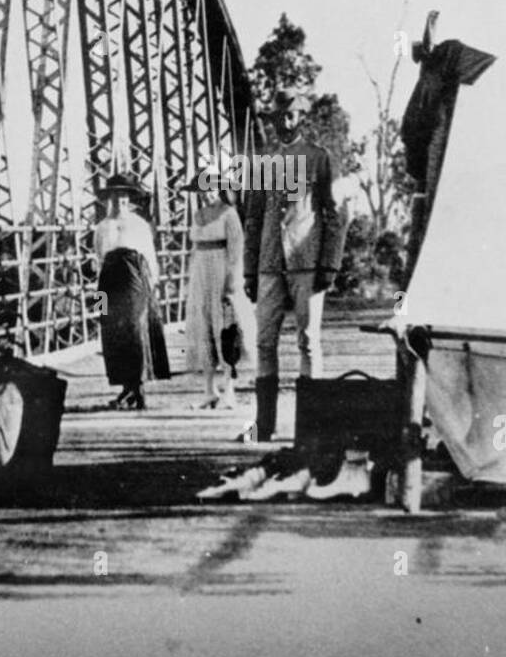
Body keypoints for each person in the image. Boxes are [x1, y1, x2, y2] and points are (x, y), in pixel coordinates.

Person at [243, 89, 344, 442]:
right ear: (272, 121)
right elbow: (253, 219)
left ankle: (310, 428)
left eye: (291, 115)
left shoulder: (318, 158)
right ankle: (263, 425)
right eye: (279, 117)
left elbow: (333, 215)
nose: (285, 122)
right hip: (270, 262)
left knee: (309, 341)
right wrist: (249, 270)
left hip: (306, 262)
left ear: (300, 117)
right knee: (264, 342)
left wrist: (328, 265)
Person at [93, 172, 170, 410]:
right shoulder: (102, 227)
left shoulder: (139, 225)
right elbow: (98, 259)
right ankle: (125, 387)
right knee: (109, 327)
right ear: (108, 200)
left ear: (130, 199)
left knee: (135, 327)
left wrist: (153, 283)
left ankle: (138, 387)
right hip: (107, 280)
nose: (119, 202)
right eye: (115, 197)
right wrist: (99, 299)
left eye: (124, 197)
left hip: (133, 277)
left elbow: (149, 256)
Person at [181, 169, 252, 409]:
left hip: (221, 272)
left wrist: (233, 281)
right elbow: (193, 250)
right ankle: (209, 390)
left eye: (209, 188)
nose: (205, 194)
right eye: (201, 190)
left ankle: (229, 390)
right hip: (201, 273)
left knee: (225, 330)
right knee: (203, 329)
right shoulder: (198, 215)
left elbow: (236, 249)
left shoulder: (229, 214)